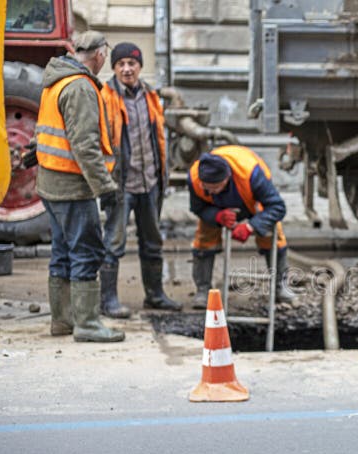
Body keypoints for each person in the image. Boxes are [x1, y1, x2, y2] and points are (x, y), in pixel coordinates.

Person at [35, 31, 124, 343]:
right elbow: (84, 146)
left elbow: (45, 130)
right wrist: (105, 187)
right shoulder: (81, 87)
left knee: (62, 252)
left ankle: (62, 320)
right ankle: (87, 324)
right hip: (72, 186)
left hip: (50, 184)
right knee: (85, 251)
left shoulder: (55, 81)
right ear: (99, 55)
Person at [100, 42, 181, 317]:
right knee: (113, 243)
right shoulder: (105, 96)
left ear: (139, 66)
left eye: (131, 63)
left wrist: (162, 177)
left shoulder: (150, 96)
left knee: (153, 241)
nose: (126, 69)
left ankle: (155, 295)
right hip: (120, 185)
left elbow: (157, 138)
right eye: (121, 64)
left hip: (150, 183)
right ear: (113, 67)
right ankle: (108, 300)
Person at [188, 146, 296, 309]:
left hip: (251, 200)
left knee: (273, 235)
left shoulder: (252, 174)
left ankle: (281, 287)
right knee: (204, 236)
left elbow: (277, 207)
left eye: (216, 187)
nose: (211, 191)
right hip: (217, 208)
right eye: (207, 187)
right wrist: (217, 216)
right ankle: (203, 290)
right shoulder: (195, 178)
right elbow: (198, 208)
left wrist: (251, 226)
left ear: (227, 178)